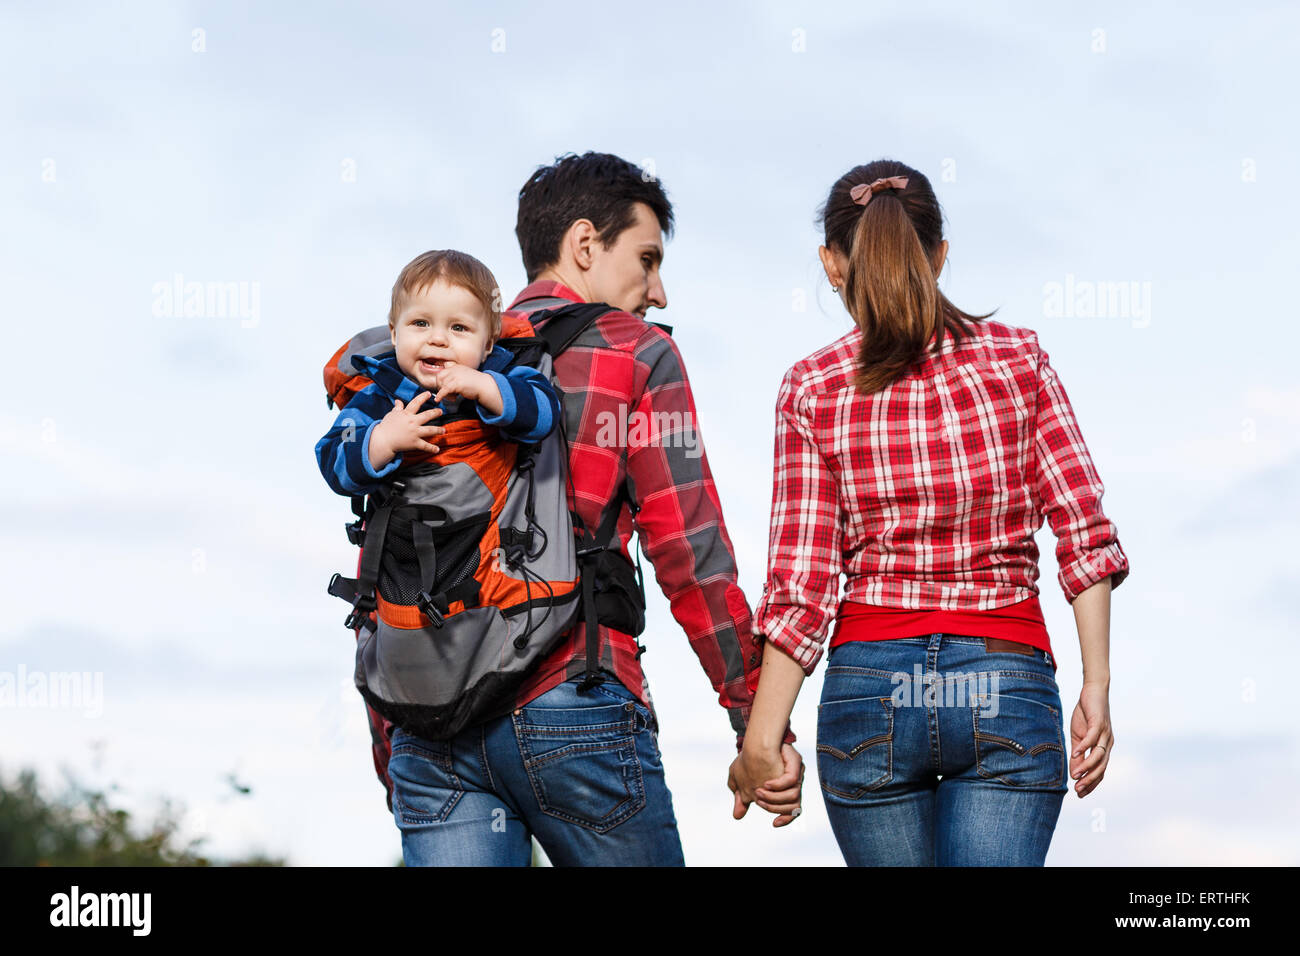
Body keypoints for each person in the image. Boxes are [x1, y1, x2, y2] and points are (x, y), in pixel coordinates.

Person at [330, 152, 802, 866]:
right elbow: (688, 550)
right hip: (571, 694)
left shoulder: (419, 362)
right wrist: (753, 721)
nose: (659, 291)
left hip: (427, 725)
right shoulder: (634, 352)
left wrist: (390, 741)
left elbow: (389, 551)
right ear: (585, 244)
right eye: (647, 259)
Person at [736, 159, 1129, 866]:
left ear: (832, 264)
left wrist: (762, 738)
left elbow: (802, 584)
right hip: (1007, 679)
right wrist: (1095, 686)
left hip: (868, 690)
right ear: (941, 255)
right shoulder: (1020, 360)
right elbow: (1084, 530)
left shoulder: (810, 388)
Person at [315, 248, 561, 503]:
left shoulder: (500, 375)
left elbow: (546, 413)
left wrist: (487, 387)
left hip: (490, 535)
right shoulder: (378, 396)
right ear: (395, 334)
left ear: (488, 344)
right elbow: (331, 460)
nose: (437, 339)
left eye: (459, 327)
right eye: (420, 323)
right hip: (405, 536)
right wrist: (381, 440)